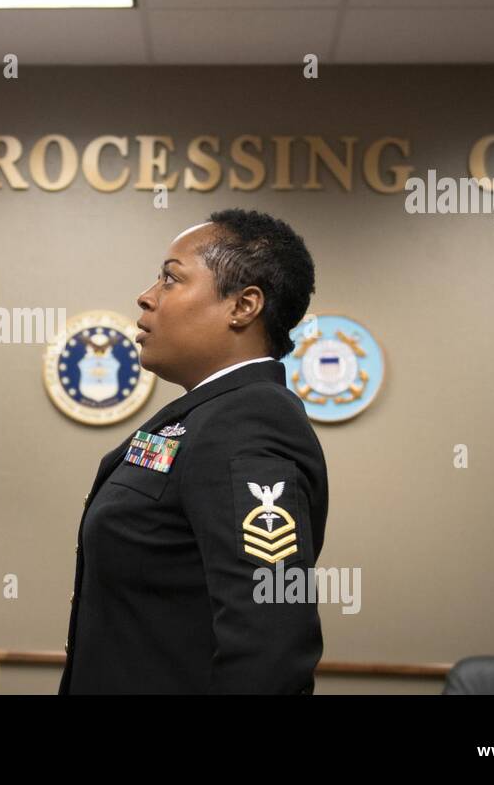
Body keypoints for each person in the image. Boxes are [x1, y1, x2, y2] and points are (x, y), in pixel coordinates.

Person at [61, 208, 328, 694]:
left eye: (170, 279)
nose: (145, 296)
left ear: (243, 306)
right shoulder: (205, 416)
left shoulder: (248, 422)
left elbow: (270, 643)